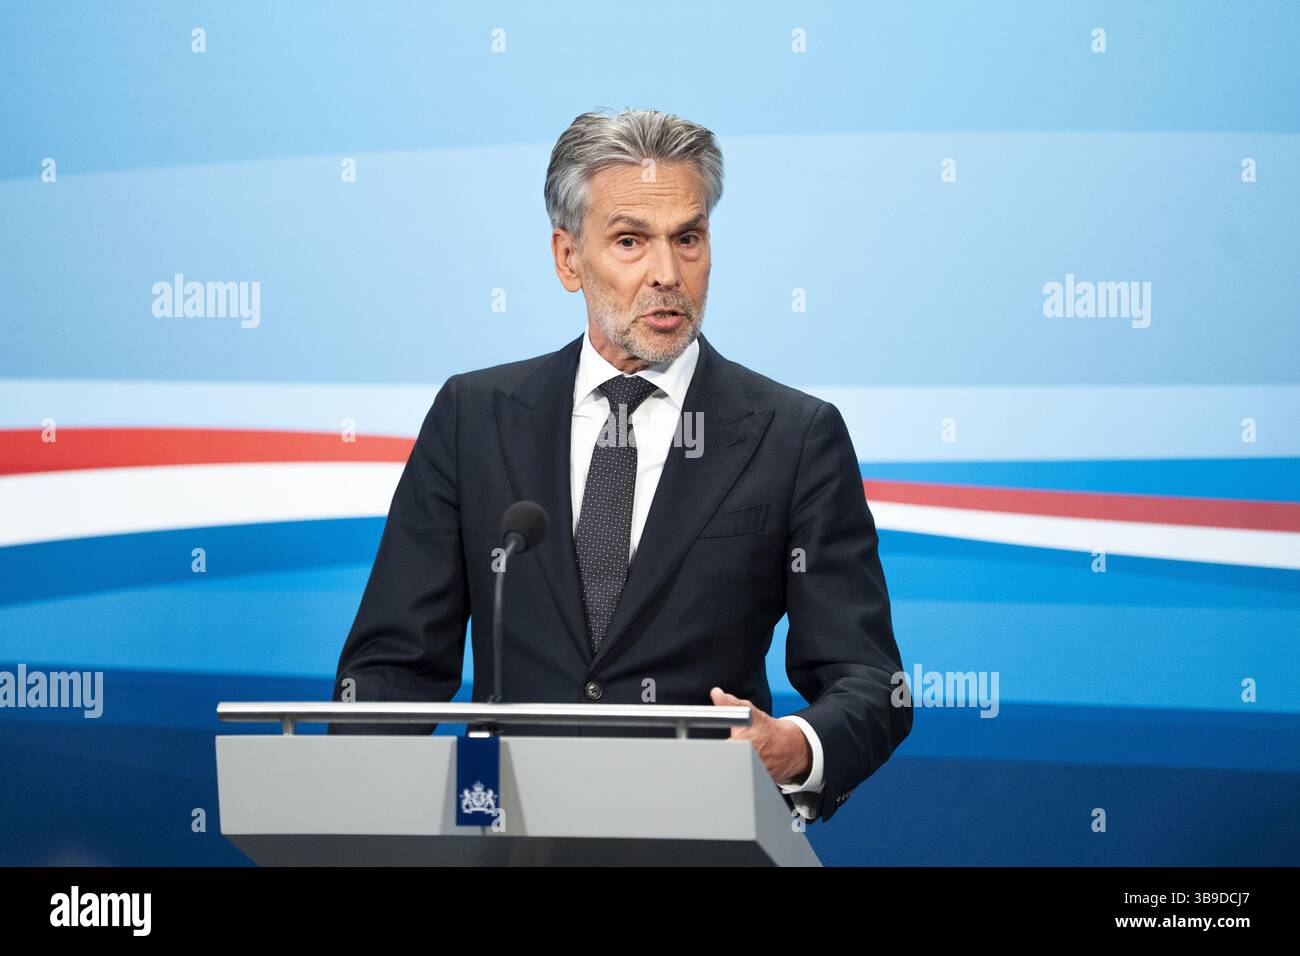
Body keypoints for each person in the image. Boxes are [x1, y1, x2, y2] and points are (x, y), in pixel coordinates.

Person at [329, 108, 911, 823]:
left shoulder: (794, 436)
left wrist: (793, 744)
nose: (668, 274)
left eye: (688, 239)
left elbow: (868, 680)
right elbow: (393, 668)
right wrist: (358, 814)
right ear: (567, 258)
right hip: (509, 840)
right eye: (631, 240)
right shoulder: (473, 418)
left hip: (703, 837)